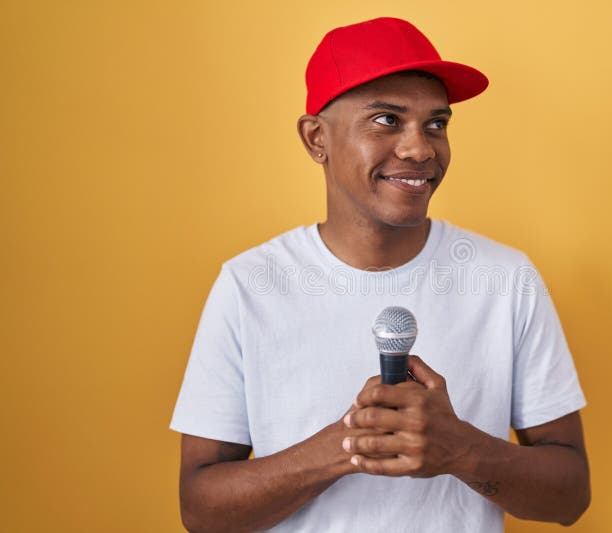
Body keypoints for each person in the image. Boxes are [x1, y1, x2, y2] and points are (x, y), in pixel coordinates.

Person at [170, 17, 590, 533]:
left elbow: (569, 496)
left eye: (436, 123)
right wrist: (348, 443)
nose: (420, 149)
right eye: (387, 120)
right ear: (316, 138)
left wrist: (462, 449)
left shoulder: (505, 279)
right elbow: (201, 509)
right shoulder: (249, 285)